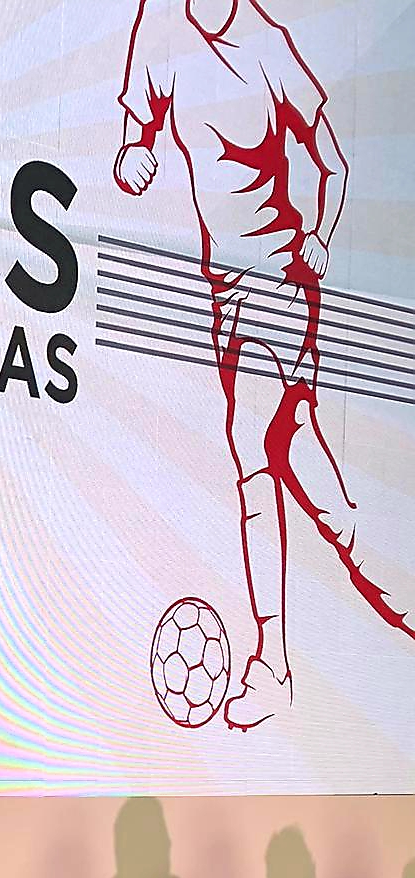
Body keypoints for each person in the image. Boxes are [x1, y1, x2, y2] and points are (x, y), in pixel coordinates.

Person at [114, 0, 410, 729]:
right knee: (304, 470)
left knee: (250, 447)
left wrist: (321, 239)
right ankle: (400, 594)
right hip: (225, 287)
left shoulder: (270, 47)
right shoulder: (159, 27)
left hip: (281, 277)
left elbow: (333, 165)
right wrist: (132, 160)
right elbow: (133, 138)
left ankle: (271, 662)